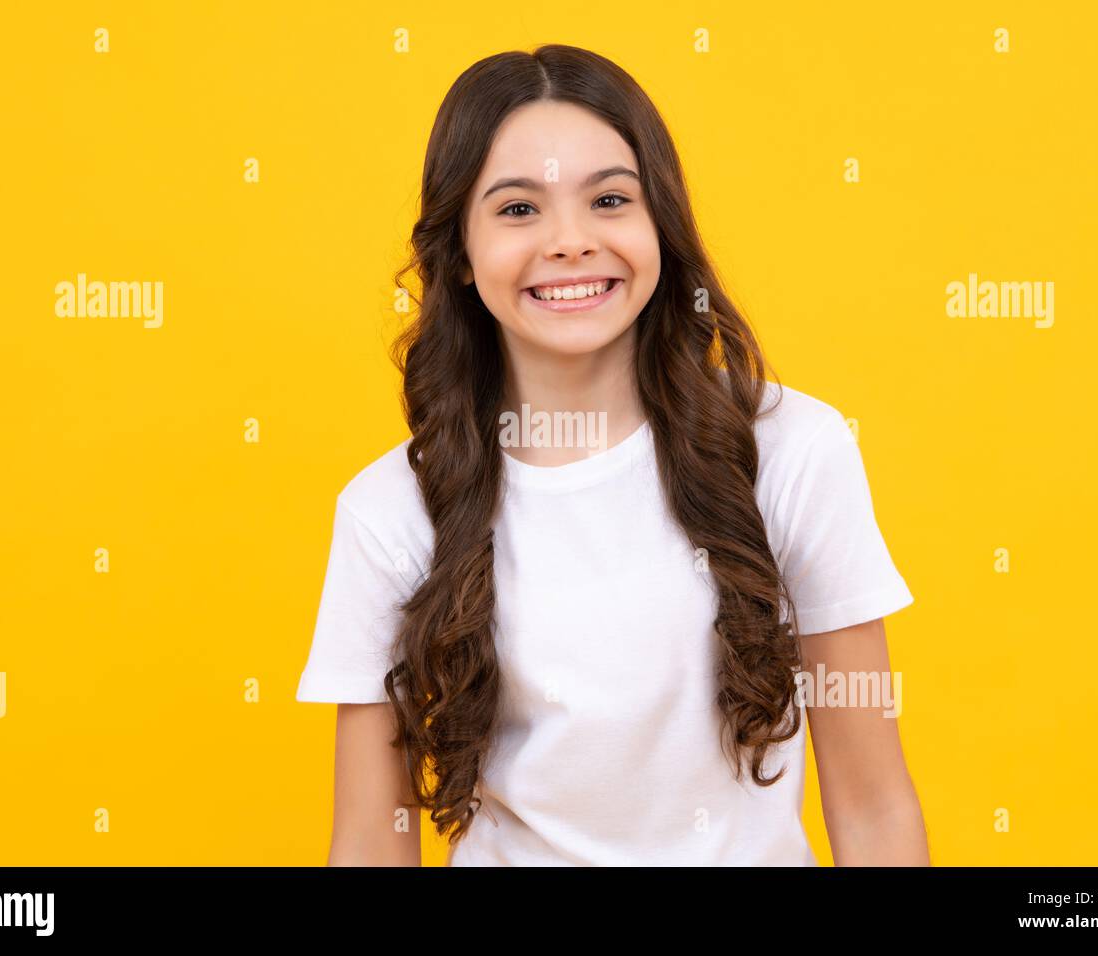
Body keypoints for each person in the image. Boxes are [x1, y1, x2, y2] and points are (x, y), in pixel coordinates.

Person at [297, 44, 928, 866]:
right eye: (518, 210)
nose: (569, 242)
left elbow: (875, 809)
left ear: (658, 222)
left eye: (608, 199)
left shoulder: (793, 452)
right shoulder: (387, 513)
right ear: (457, 253)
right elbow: (369, 843)